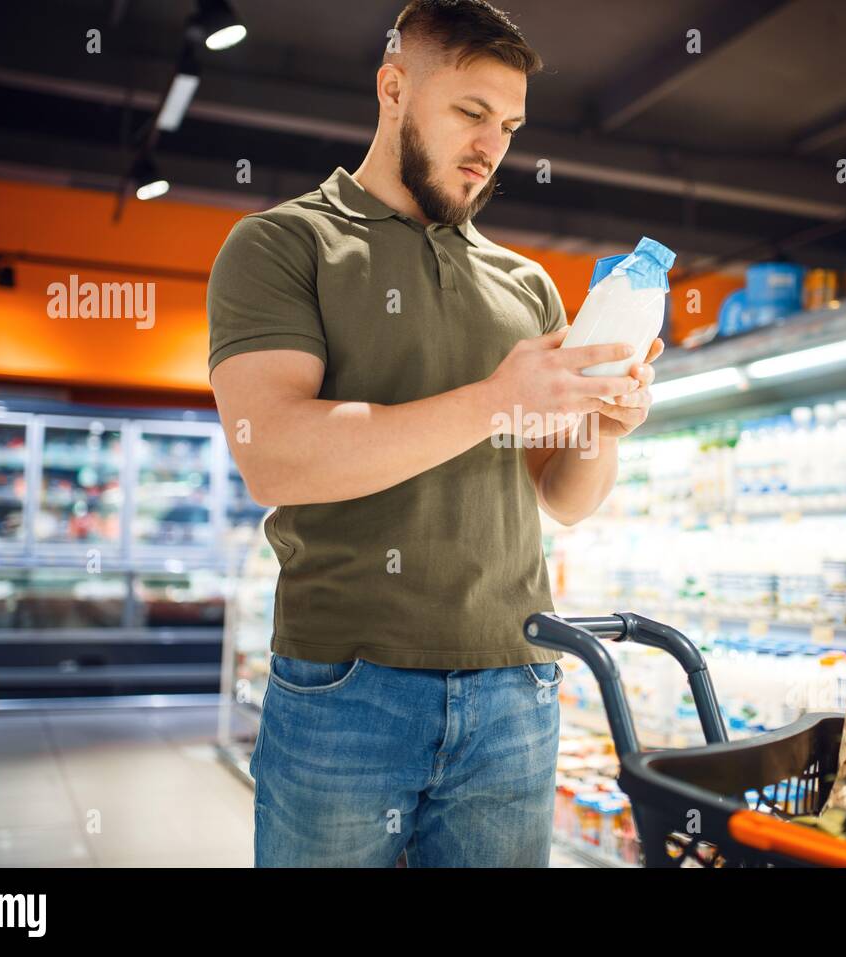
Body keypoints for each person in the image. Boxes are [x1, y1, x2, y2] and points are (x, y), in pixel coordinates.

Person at [207, 0, 662, 867]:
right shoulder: (282, 245)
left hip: (517, 684)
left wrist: (605, 424)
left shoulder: (526, 285)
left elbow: (565, 499)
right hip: (346, 685)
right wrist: (496, 397)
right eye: (471, 112)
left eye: (511, 124)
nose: (494, 145)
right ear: (393, 89)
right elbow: (274, 454)